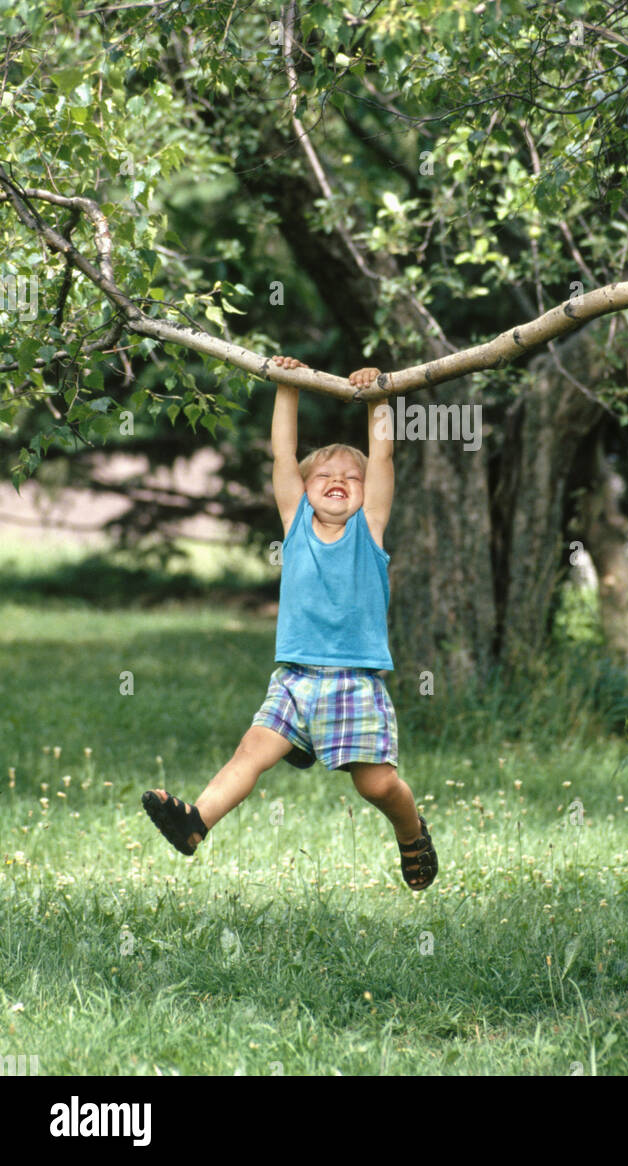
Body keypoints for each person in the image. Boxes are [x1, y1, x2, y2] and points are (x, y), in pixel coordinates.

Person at [141, 356, 437, 890]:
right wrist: (288, 384)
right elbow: (283, 452)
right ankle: (195, 822)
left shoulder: (369, 530)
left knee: (376, 787)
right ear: (303, 489)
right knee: (250, 752)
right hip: (295, 679)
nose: (339, 480)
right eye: (323, 475)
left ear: (369, 492)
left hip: (352, 684)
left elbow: (385, 454)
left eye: (352, 476)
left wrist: (377, 397)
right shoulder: (295, 525)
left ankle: (412, 834)